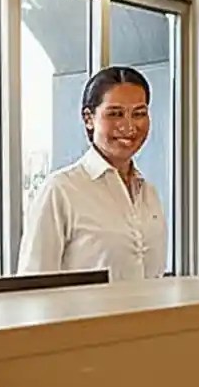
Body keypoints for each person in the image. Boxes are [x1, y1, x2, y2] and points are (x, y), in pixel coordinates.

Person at [17, 66, 167, 281]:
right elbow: (32, 282)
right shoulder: (61, 190)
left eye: (139, 114)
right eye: (115, 114)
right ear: (89, 119)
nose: (129, 126)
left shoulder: (148, 192)